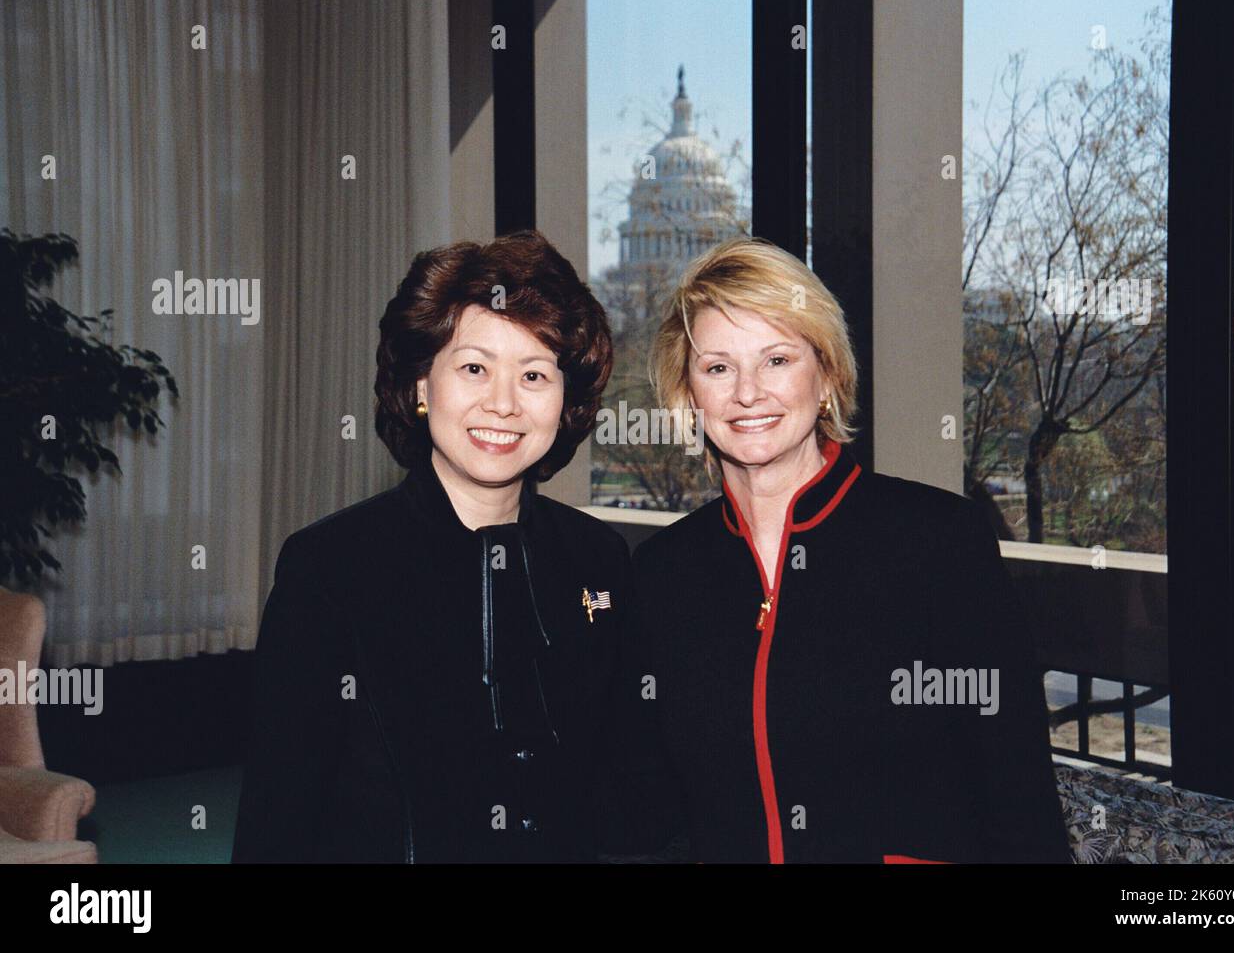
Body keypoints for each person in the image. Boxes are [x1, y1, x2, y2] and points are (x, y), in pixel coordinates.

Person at [232, 230, 670, 862]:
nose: (503, 403)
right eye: (474, 368)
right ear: (420, 386)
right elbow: (278, 817)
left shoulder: (597, 560)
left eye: (534, 374)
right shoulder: (330, 569)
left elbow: (631, 788)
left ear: (565, 401)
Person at [632, 236, 1071, 863]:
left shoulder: (938, 542)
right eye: (718, 367)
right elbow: (651, 810)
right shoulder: (661, 574)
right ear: (689, 394)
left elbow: (1018, 797)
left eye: (777, 360)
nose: (748, 393)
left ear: (827, 375)